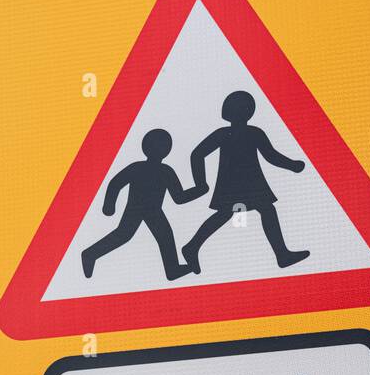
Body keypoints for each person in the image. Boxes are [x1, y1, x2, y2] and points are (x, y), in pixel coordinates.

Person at [182, 91, 310, 273]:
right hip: (241, 184)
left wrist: (292, 165)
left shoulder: (246, 133)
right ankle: (192, 247)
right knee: (245, 212)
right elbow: (197, 154)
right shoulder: (239, 133)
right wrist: (201, 183)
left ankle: (192, 247)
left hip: (248, 183)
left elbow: (270, 156)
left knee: (253, 211)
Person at [81, 129, 201, 281]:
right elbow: (116, 183)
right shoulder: (147, 168)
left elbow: (179, 197)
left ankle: (172, 269)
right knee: (125, 235)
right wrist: (109, 205)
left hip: (152, 211)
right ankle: (90, 254)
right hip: (136, 209)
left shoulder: (163, 171)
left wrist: (198, 191)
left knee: (163, 236)